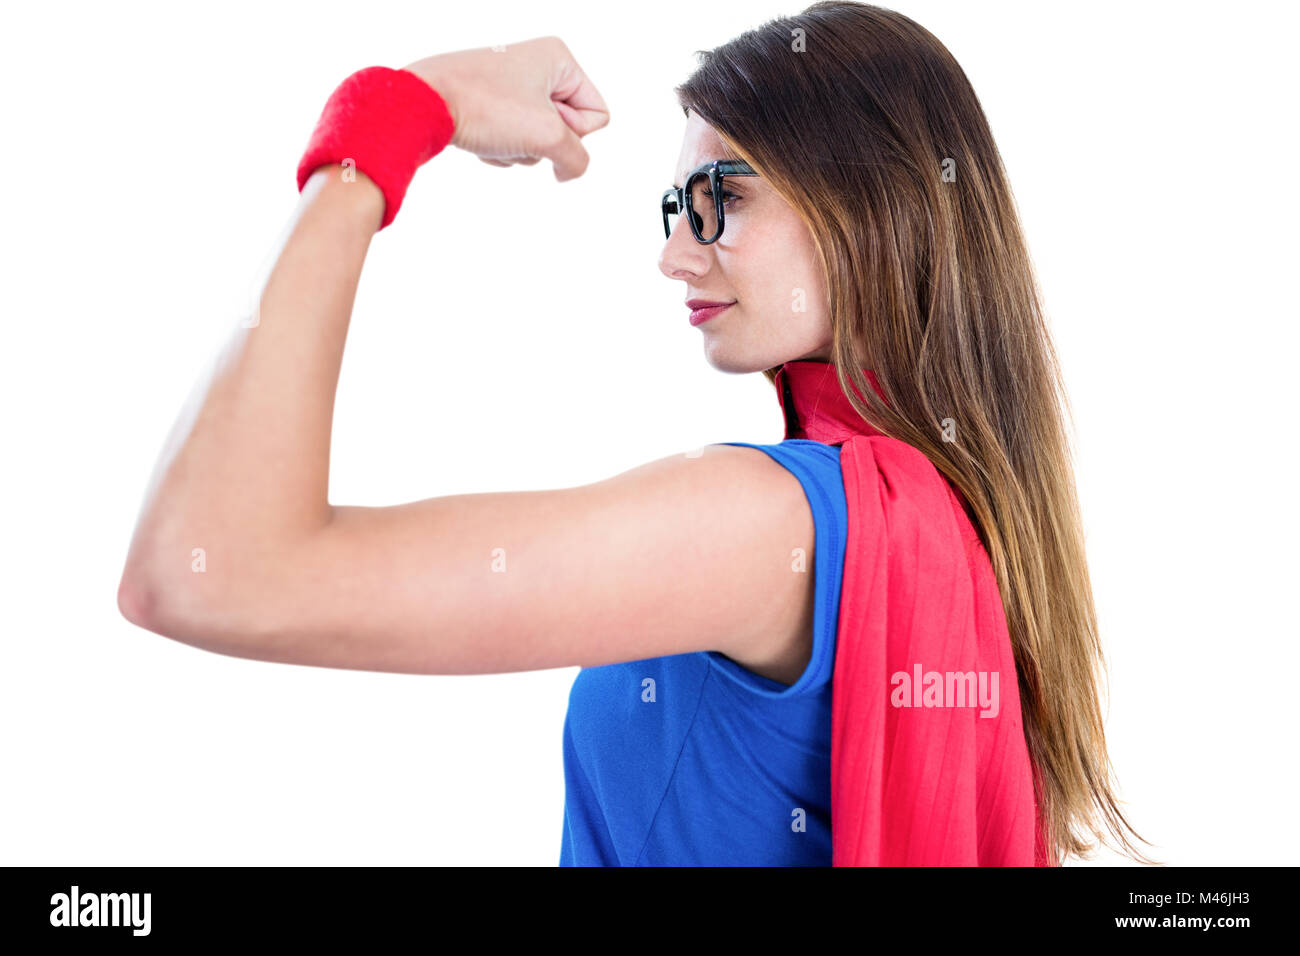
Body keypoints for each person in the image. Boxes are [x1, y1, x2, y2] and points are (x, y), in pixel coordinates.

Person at [117, 2, 1153, 866]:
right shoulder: (960, 521)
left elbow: (212, 569)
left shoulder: (771, 523)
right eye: (674, 204)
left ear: (875, 203)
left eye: (722, 196)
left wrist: (396, 113)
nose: (674, 254)